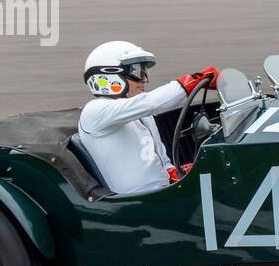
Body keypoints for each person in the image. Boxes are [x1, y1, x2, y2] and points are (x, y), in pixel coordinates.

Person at [78, 42, 221, 195]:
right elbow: (151, 102)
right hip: (135, 205)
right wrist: (196, 79)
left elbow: (160, 157)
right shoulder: (95, 111)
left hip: (162, 195)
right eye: (138, 72)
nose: (145, 80)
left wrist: (173, 173)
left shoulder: (140, 114)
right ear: (110, 75)